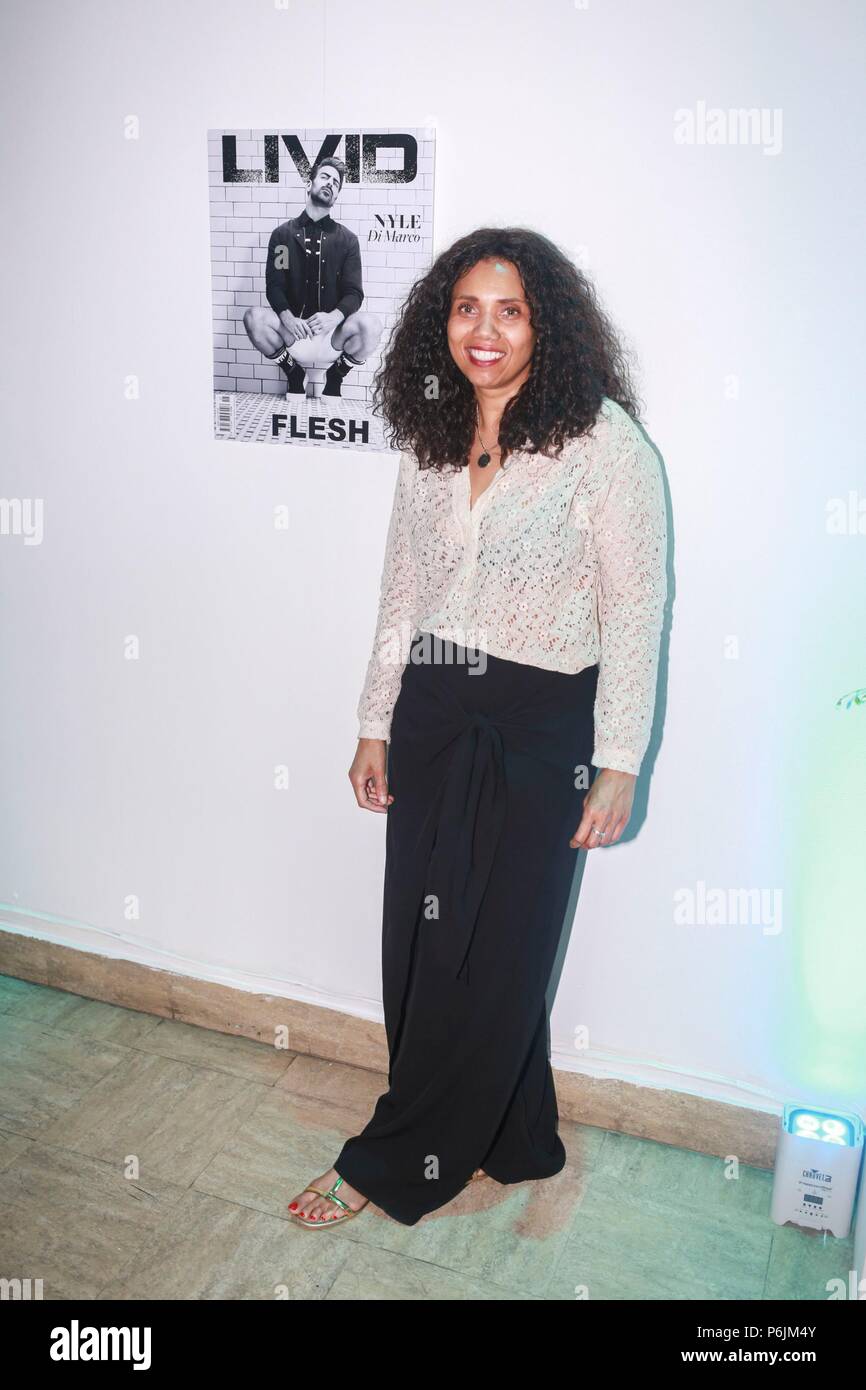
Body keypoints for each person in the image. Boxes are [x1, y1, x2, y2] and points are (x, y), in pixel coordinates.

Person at [288, 226, 668, 1228]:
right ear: (439, 321)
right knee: (421, 947)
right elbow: (400, 590)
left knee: (499, 948)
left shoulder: (603, 443)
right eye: (465, 307)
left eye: (509, 309)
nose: (484, 329)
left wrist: (618, 759)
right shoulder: (429, 431)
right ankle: (512, 1133)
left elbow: (633, 607)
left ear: (544, 323)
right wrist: (373, 720)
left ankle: (397, 1158)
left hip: (542, 727)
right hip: (433, 709)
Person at [242, 156, 382, 398]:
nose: (330, 184)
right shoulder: (283, 236)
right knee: (254, 318)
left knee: (371, 326)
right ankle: (294, 373)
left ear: (336, 196)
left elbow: (354, 292)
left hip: (332, 337)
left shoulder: (347, 240)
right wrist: (287, 318)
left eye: (336, 183)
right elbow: (275, 285)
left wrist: (333, 317)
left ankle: (336, 376)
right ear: (310, 184)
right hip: (293, 334)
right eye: (325, 177)